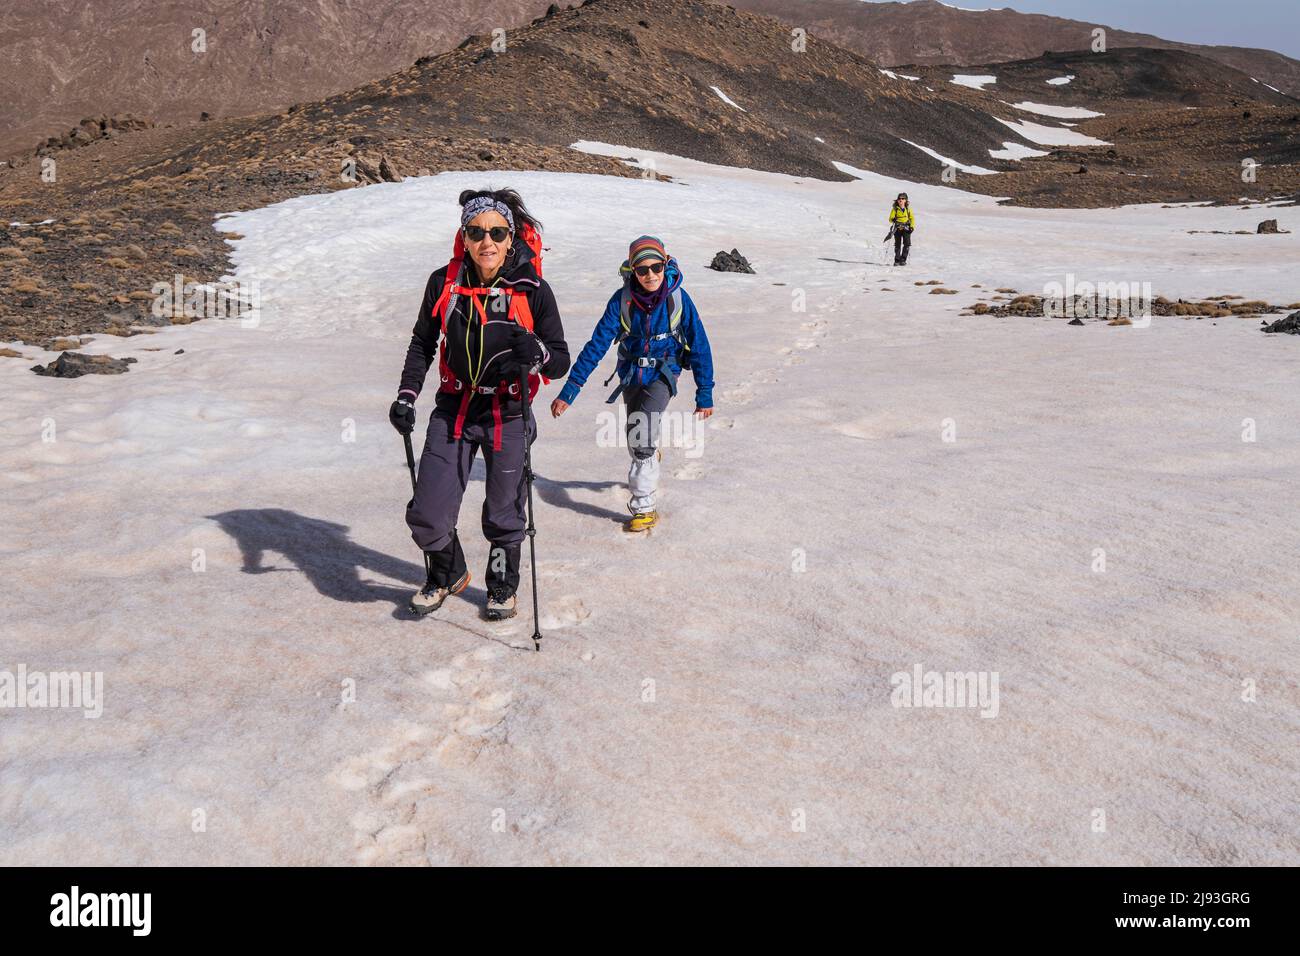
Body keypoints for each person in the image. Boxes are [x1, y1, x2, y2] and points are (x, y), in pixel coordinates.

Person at [389, 188, 569, 619]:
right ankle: (447, 573)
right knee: (428, 513)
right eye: (476, 231)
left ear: (511, 240)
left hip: (508, 412)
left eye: (497, 232)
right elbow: (422, 343)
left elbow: (559, 359)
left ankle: (501, 587)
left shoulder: (534, 290)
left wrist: (536, 352)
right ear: (464, 238)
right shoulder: (444, 283)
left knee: (504, 512)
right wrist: (406, 394)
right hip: (454, 408)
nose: (486, 241)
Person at [550, 236, 713, 532]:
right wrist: (569, 391)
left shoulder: (679, 298)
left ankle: (644, 506)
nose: (650, 274)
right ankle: (649, 453)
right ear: (632, 270)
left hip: (664, 373)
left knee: (641, 437)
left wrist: (705, 393)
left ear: (666, 265)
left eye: (657, 267)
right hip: (630, 374)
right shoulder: (621, 300)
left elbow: (700, 344)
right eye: (642, 269)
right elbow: (596, 346)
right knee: (636, 434)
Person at [889, 192, 915, 266]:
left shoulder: (908, 209)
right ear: (897, 200)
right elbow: (890, 218)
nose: (901, 200)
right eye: (899, 199)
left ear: (905, 200)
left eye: (903, 198)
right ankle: (897, 260)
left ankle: (903, 260)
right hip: (897, 228)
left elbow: (912, 218)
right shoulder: (895, 209)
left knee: (907, 244)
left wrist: (912, 227)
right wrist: (894, 220)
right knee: (897, 244)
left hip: (906, 227)